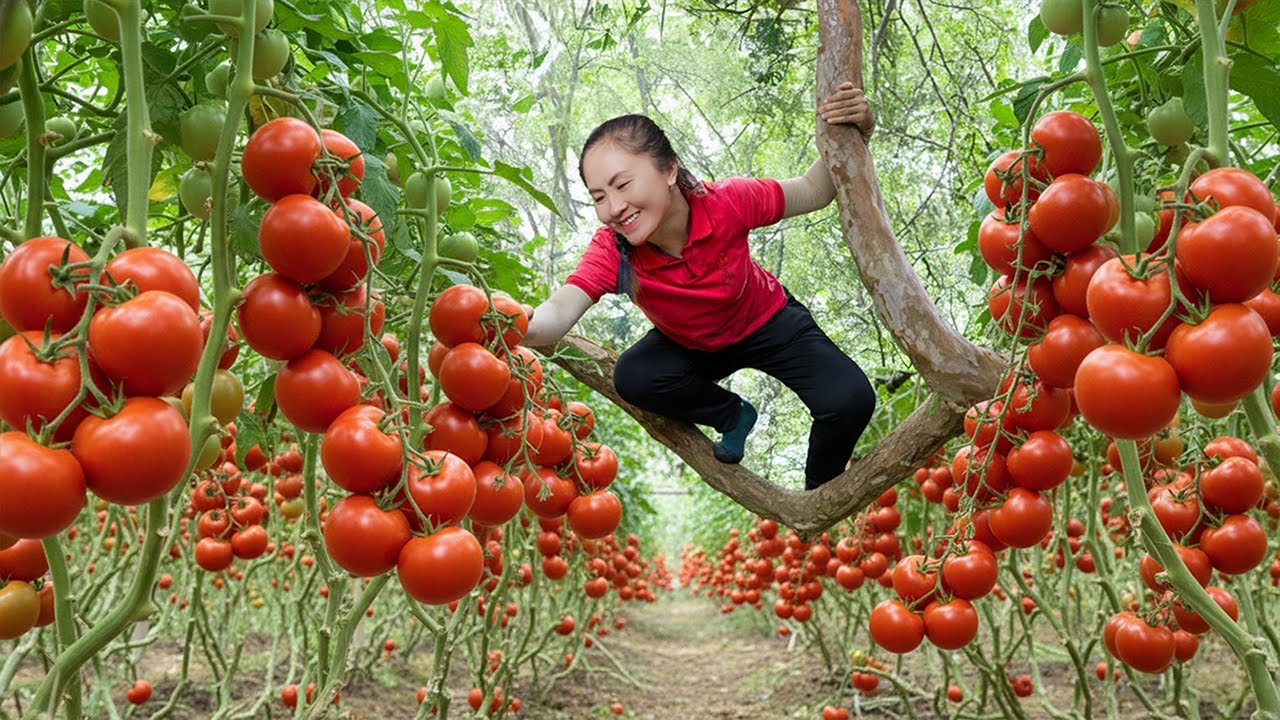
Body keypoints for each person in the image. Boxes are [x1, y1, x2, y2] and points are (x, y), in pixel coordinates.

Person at [520, 82, 878, 492]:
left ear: (669, 169)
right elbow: (561, 310)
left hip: (769, 321)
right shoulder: (614, 249)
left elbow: (814, 191)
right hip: (690, 345)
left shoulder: (728, 202)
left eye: (622, 185)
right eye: (598, 196)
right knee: (634, 376)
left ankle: (820, 488)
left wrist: (858, 133)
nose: (613, 208)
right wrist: (522, 322)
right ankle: (731, 415)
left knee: (851, 400)